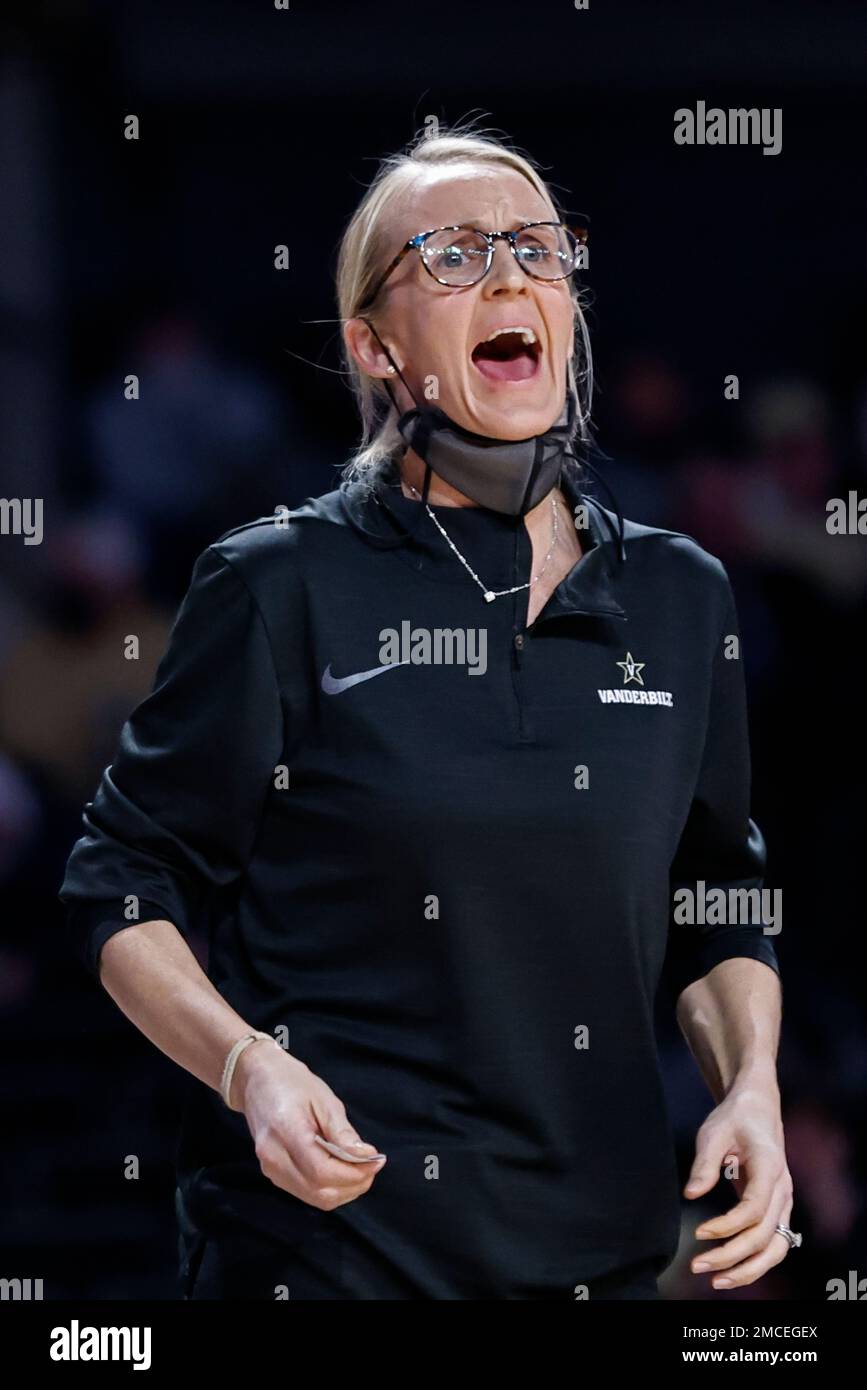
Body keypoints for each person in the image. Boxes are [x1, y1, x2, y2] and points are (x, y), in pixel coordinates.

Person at [58, 124, 796, 1301]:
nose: (509, 276)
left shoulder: (677, 594)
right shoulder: (279, 584)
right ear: (377, 347)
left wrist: (751, 1084)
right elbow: (123, 882)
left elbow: (714, 893)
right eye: (453, 255)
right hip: (327, 1256)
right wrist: (249, 1068)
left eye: (540, 250)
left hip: (596, 1258)